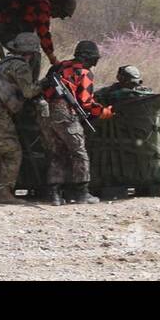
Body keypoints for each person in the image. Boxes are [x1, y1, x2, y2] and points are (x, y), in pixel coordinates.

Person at [40, 40, 113, 205]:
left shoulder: (59, 67)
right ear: (88, 58)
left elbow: (44, 87)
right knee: (79, 153)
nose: (96, 62)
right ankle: (82, 193)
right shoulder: (84, 73)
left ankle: (55, 195)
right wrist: (103, 112)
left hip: (46, 115)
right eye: (95, 58)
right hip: (66, 114)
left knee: (57, 153)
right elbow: (86, 103)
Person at [0, 33, 43, 205]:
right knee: (12, 152)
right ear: (32, 53)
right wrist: (44, 85)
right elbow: (28, 92)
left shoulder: (3, 64)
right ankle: (5, 192)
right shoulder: (21, 66)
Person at [0, 0, 77, 67]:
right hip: (7, 33)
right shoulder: (44, 8)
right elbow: (43, 35)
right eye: (63, 14)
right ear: (58, 7)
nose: (61, 18)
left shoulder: (42, 2)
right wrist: (53, 59)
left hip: (3, 28)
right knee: (34, 56)